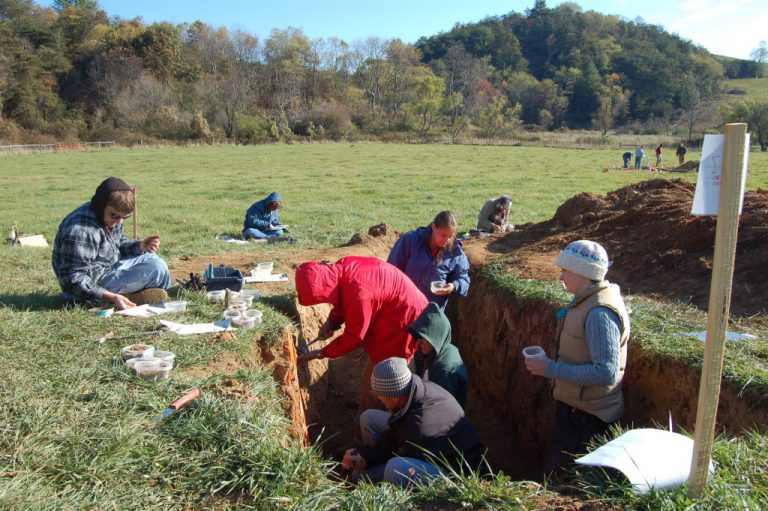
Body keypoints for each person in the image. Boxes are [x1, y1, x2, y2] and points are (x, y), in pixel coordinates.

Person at [524, 240, 630, 476]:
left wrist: (549, 368)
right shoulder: (586, 300)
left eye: (565, 270)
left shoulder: (599, 313)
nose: (560, 276)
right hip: (576, 408)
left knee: (563, 481)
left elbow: (606, 372)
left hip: (588, 420)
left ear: (583, 272)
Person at [295, 256, 428, 413]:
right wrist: (331, 322)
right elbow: (342, 297)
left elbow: (354, 337)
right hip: (397, 305)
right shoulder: (342, 268)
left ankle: (375, 425)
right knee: (372, 377)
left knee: (379, 381)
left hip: (405, 318)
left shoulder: (358, 295)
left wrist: (320, 353)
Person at [341, 357, 485, 487]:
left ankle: (386, 492)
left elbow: (395, 448)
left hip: (457, 474)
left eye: (380, 394)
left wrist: (367, 463)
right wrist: (365, 456)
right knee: (369, 417)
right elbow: (395, 434)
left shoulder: (418, 425)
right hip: (435, 446)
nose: (379, 398)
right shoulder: (416, 390)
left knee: (386, 470)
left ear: (394, 396)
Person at [52, 177, 171, 310]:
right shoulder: (80, 231)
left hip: (108, 267)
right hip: (90, 285)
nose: (119, 222)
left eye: (124, 218)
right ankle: (117, 299)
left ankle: (133, 295)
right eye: (115, 216)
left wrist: (140, 246)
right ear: (101, 205)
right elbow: (73, 279)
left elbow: (118, 245)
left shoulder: (110, 218)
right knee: (157, 267)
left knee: (152, 257)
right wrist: (110, 296)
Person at [387, 211, 470, 311]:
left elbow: (464, 278)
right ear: (434, 227)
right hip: (403, 305)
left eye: (450, 236)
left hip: (430, 313)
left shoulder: (456, 253)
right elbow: (390, 271)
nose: (446, 240)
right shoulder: (410, 241)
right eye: (443, 235)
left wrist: (453, 286)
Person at [409, 302, 468, 408]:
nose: (418, 342)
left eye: (424, 337)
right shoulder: (446, 348)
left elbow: (440, 410)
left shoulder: (443, 371)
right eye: (418, 336)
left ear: (435, 336)